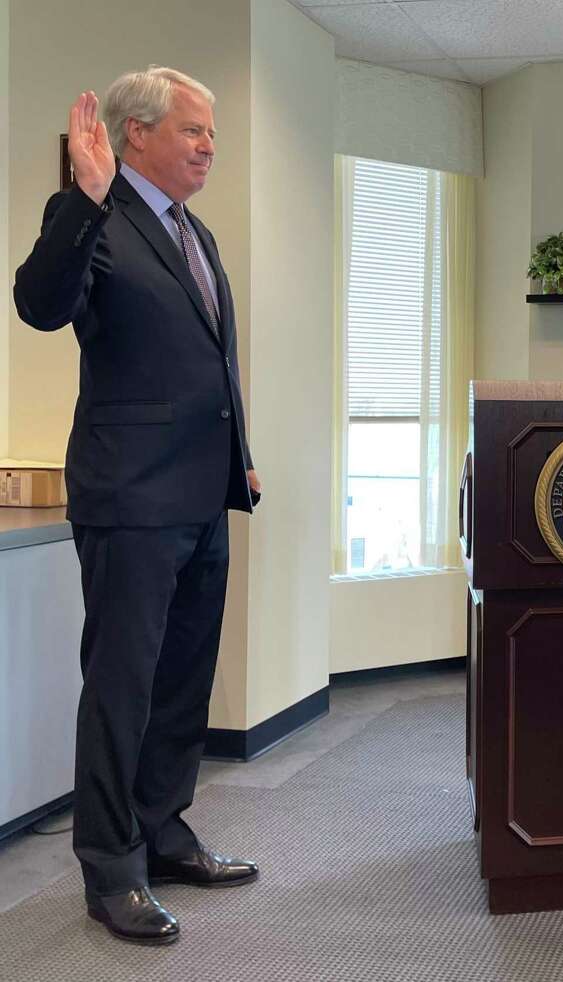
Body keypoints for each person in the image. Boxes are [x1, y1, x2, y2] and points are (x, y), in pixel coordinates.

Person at [14, 67, 262, 946]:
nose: (208, 147)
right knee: (123, 687)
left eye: (211, 133)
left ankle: (164, 832)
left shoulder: (194, 231)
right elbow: (40, 306)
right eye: (194, 130)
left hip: (202, 495)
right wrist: (83, 200)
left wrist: (240, 459)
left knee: (183, 680)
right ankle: (111, 869)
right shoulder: (90, 214)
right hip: (130, 498)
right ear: (136, 135)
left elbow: (211, 361)